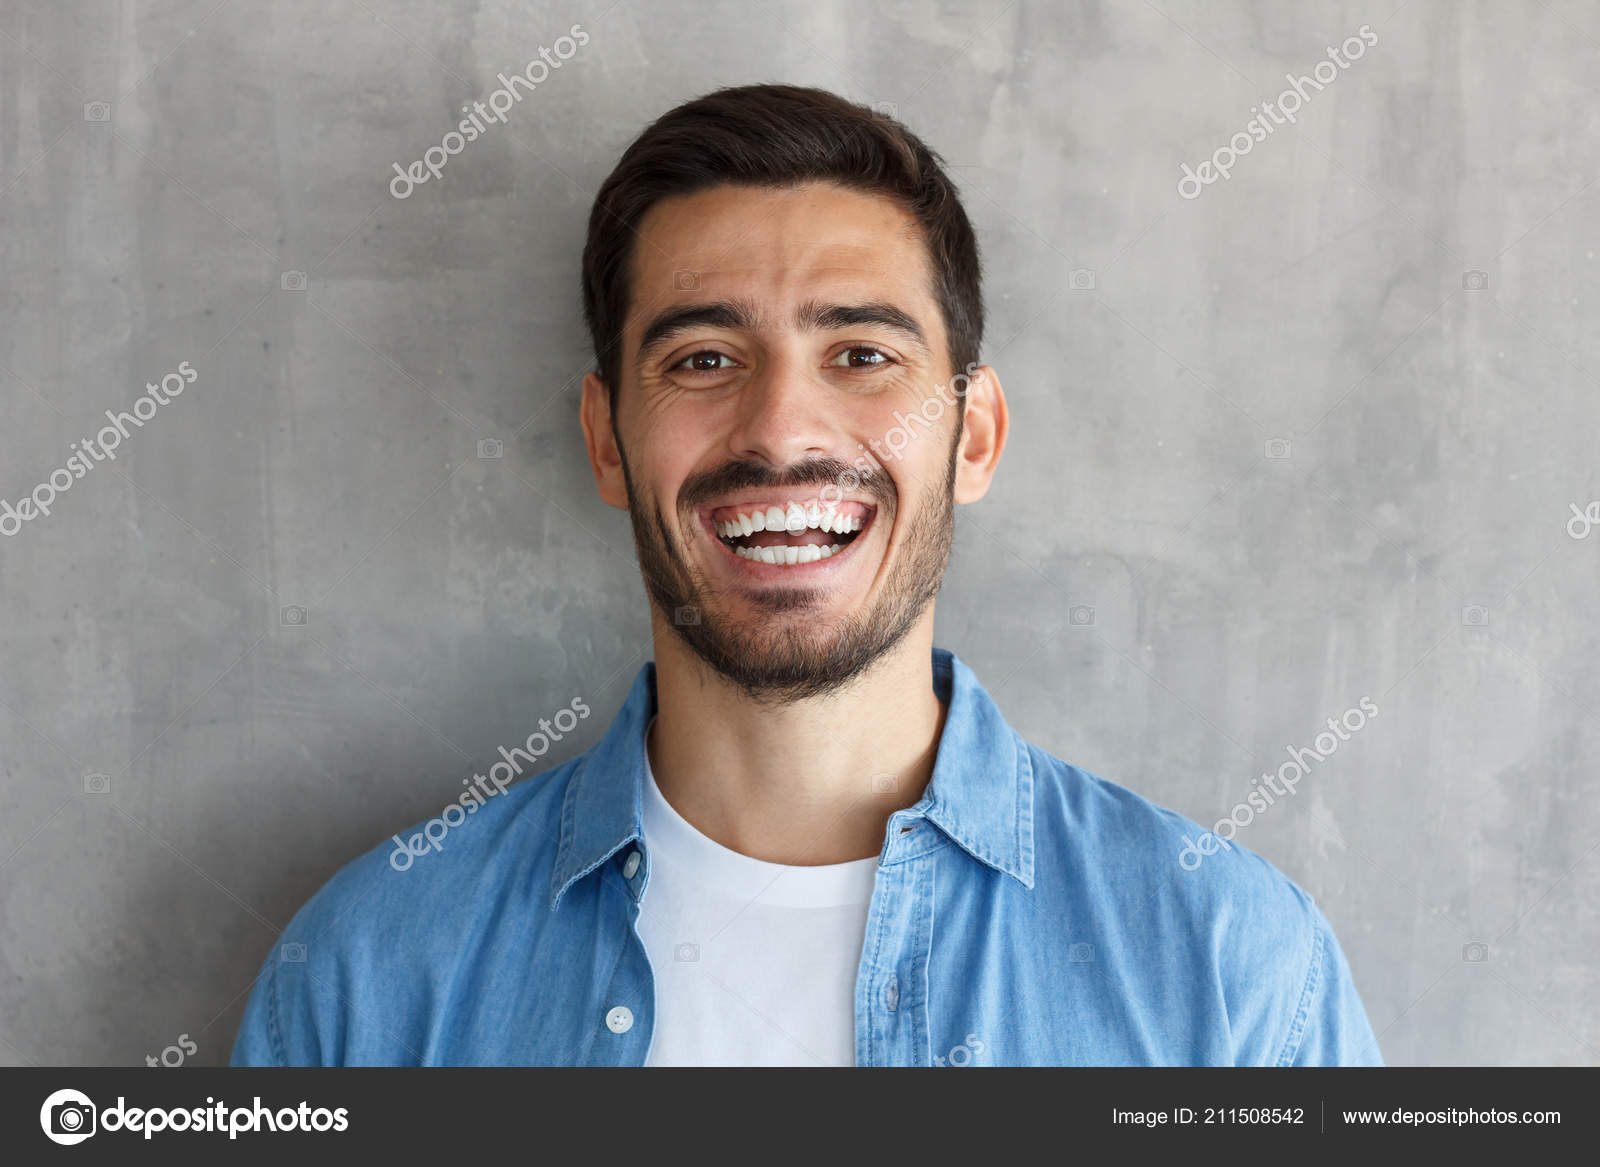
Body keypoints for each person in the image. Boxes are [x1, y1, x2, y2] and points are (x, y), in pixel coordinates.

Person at [231, 84, 1381, 1066]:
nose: (781, 428)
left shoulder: (1232, 973)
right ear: (605, 441)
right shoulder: (368, 976)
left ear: (973, 437)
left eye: (861, 354)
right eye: (704, 358)